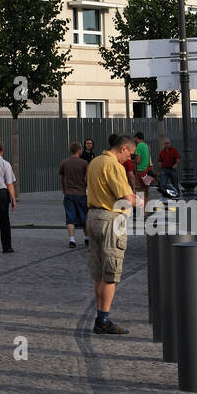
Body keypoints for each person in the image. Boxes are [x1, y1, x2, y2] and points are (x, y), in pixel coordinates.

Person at [85, 136, 138, 335]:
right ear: (123, 149)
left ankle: (100, 317)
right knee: (110, 273)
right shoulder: (113, 165)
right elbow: (125, 197)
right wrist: (137, 201)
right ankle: (104, 320)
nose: (129, 159)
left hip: (93, 216)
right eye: (129, 155)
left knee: (98, 272)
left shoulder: (95, 161)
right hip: (111, 218)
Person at [58, 142, 89, 248]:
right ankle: (87, 238)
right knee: (84, 216)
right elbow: (88, 178)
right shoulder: (84, 163)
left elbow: (61, 177)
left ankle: (72, 240)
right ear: (79, 150)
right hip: (81, 193)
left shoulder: (64, 163)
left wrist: (64, 189)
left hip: (69, 193)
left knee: (70, 217)